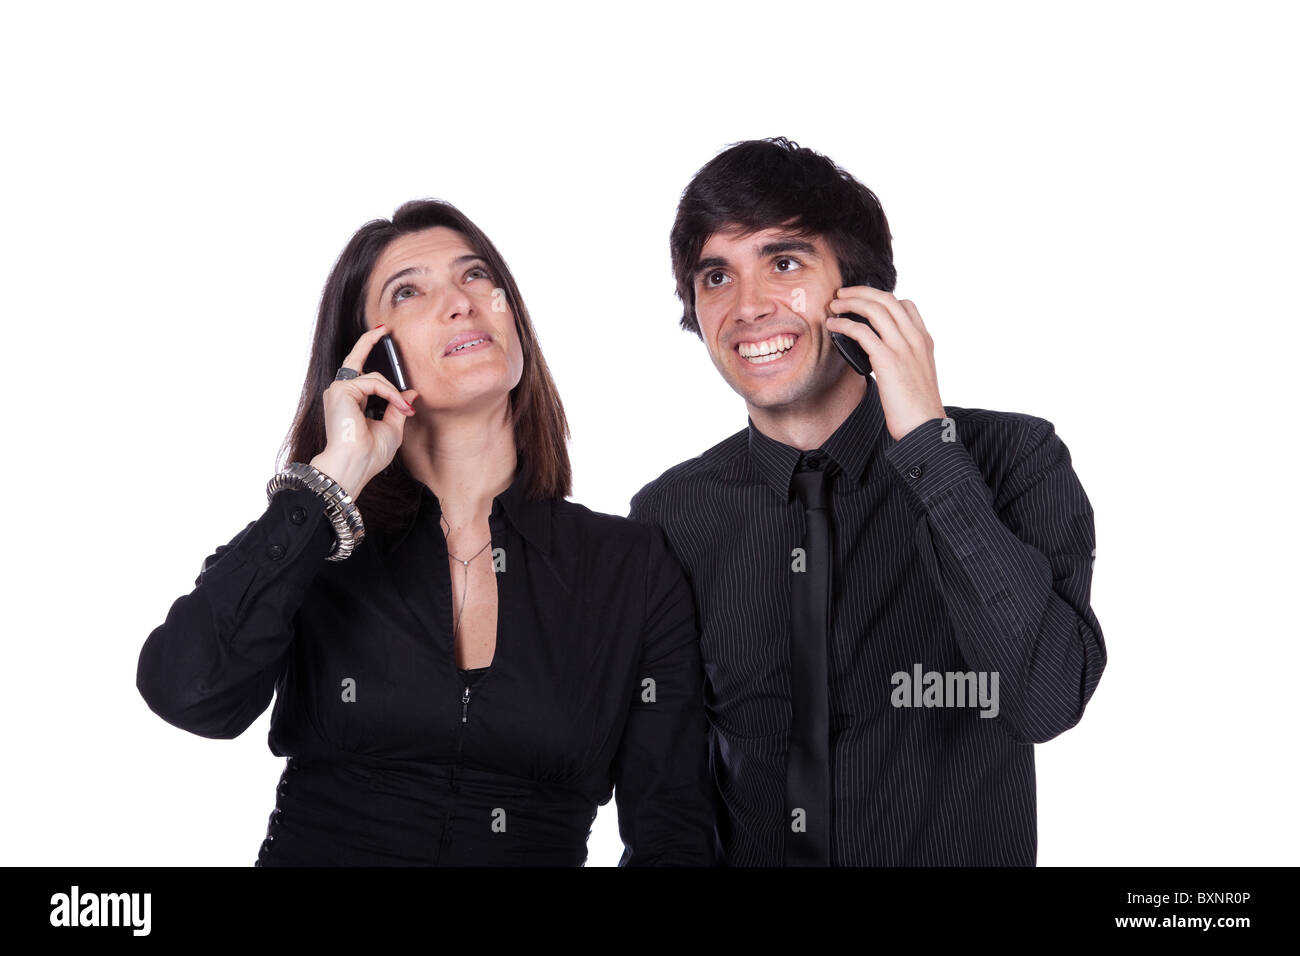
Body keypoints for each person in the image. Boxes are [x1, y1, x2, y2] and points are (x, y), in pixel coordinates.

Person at [136, 199, 716, 866]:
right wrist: (330, 480)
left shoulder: (631, 567)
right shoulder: (313, 547)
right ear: (370, 355)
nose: (460, 302)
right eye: (409, 290)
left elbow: (673, 830)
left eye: (475, 276)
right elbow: (189, 694)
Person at [629, 137, 1106, 866]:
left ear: (860, 289)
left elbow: (1041, 701)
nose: (748, 306)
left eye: (784, 263)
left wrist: (928, 448)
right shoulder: (672, 514)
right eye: (717, 276)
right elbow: (668, 792)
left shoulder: (1015, 459)